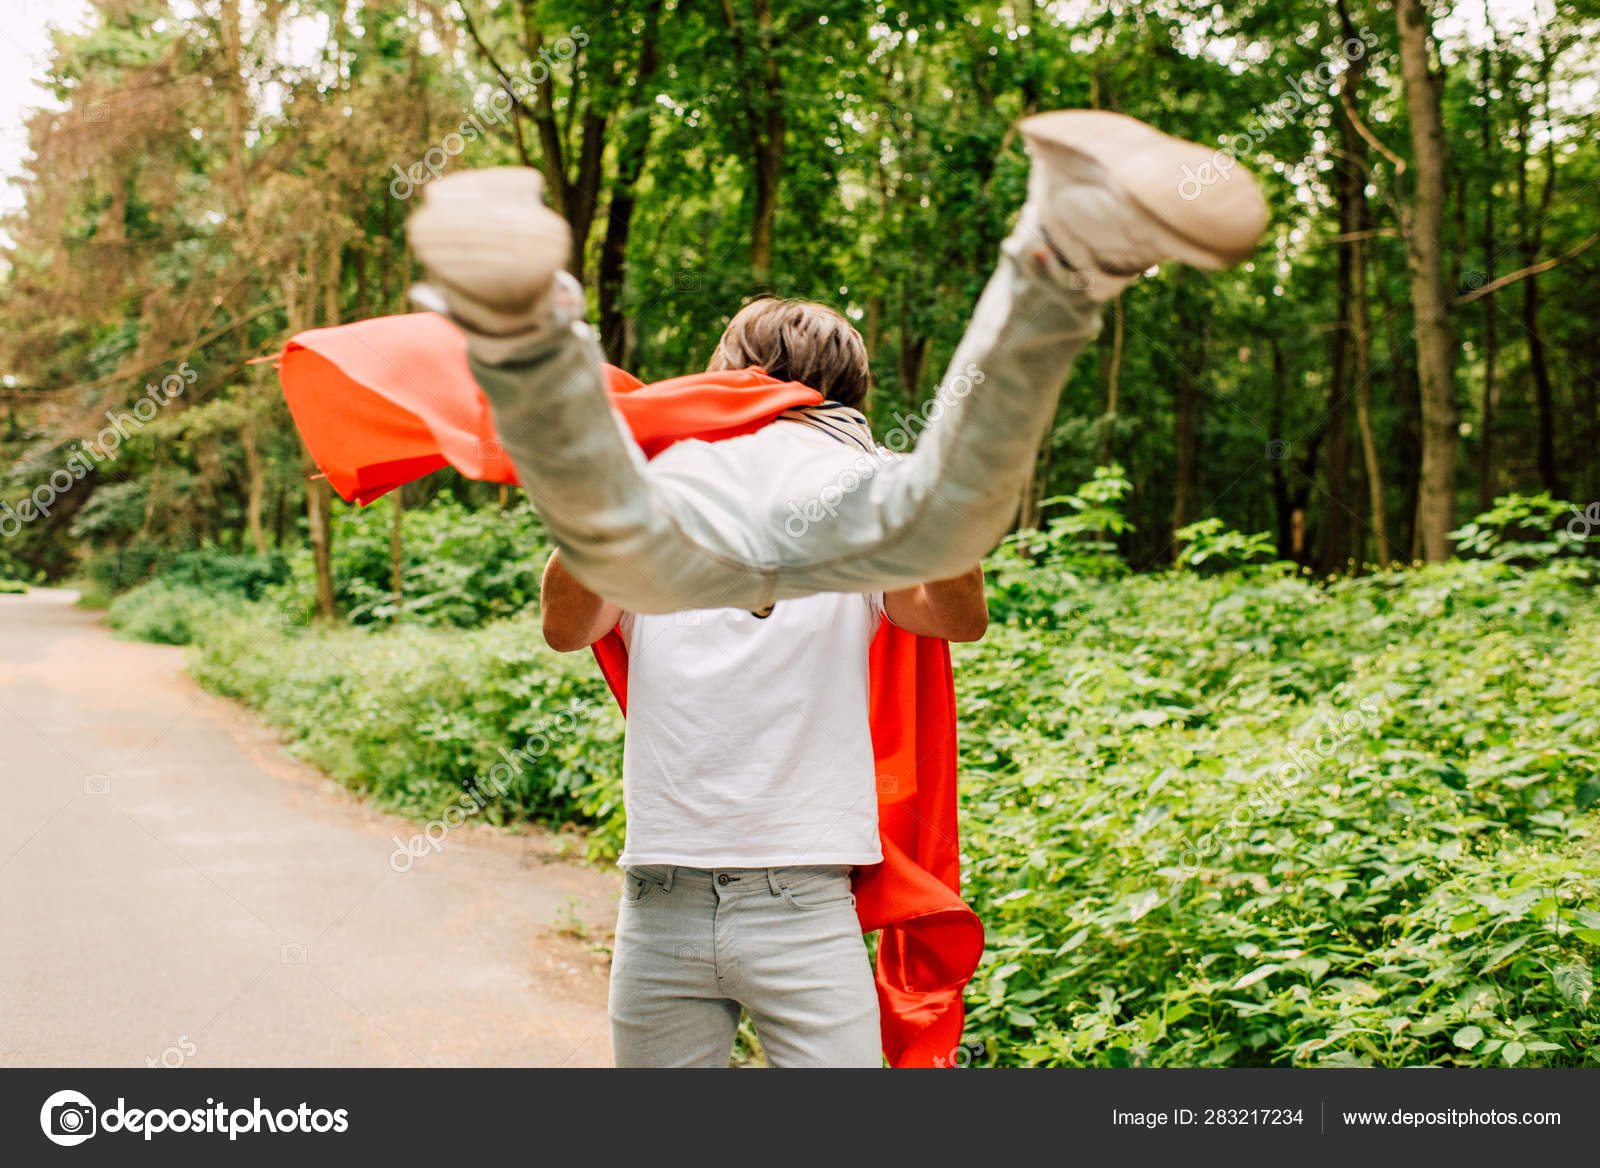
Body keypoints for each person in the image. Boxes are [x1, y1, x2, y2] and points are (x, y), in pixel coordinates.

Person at [404, 109, 1268, 616]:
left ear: (731, 370)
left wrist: (588, 521)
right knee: (953, 514)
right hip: (852, 506)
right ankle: (1064, 252)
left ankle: (524, 333)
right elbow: (953, 611)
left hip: (691, 523)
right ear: (850, 388)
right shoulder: (864, 454)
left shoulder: (684, 444)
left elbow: (573, 601)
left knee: (611, 535)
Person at [539, 297, 988, 1066]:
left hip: (803, 905)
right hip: (663, 900)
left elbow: (956, 615)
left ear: (729, 374)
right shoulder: (656, 485)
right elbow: (567, 626)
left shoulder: (868, 497)